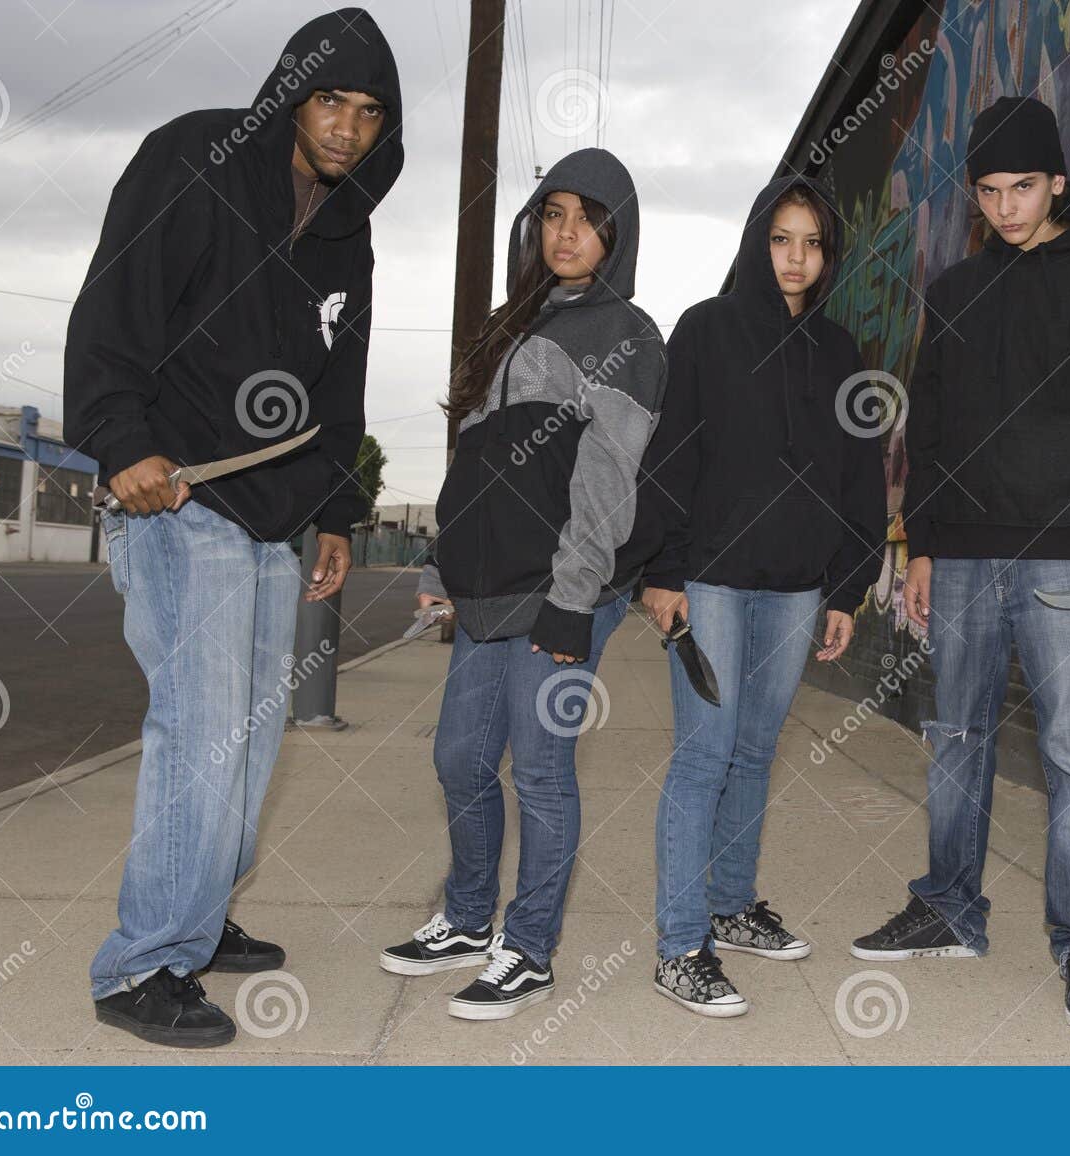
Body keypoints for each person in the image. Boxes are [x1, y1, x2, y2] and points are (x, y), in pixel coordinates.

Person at [65, 8, 403, 1047]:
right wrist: (121, 437)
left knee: (251, 744)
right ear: (292, 94)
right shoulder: (191, 160)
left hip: (271, 519)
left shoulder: (351, 236)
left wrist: (339, 508)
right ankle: (141, 964)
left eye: (368, 111)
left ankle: (196, 922)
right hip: (178, 498)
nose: (345, 127)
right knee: (201, 738)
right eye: (329, 100)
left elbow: (336, 387)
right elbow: (111, 305)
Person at [850, 96, 1070, 1030]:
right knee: (954, 742)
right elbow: (933, 435)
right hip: (962, 563)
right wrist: (920, 547)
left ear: (1057, 183)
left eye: (1022, 187)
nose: (1005, 207)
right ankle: (950, 906)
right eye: (987, 191)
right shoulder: (952, 293)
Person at [379, 149, 667, 1021]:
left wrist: (575, 603)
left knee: (541, 769)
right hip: (487, 587)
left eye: (586, 217)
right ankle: (467, 920)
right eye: (552, 214)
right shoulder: (509, 329)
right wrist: (439, 568)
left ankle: (530, 948)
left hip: (560, 589)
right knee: (460, 757)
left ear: (616, 233)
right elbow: (470, 469)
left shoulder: (629, 335)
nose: (566, 232)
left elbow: (609, 481)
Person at [640, 177, 886, 1017]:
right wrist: (662, 572)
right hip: (708, 576)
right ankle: (680, 946)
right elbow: (670, 455)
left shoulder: (841, 351)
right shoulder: (705, 330)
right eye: (783, 240)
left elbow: (860, 476)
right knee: (705, 754)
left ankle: (731, 906)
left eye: (813, 244)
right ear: (758, 240)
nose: (797, 259)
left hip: (797, 587)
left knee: (753, 751)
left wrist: (849, 585)